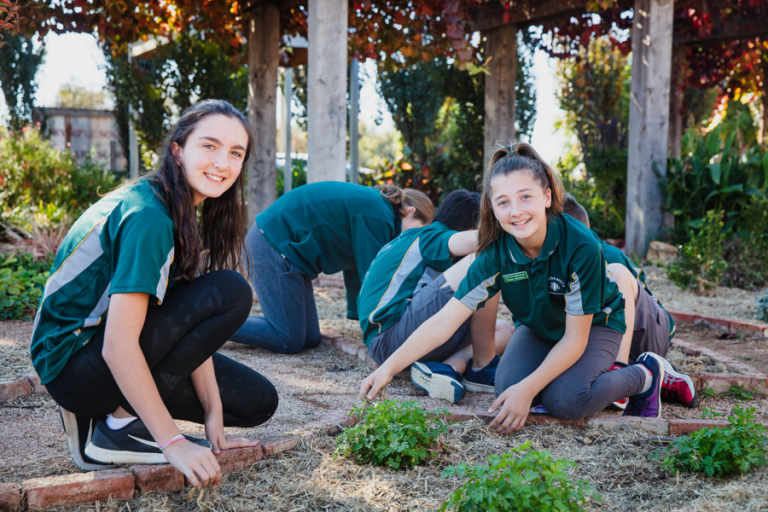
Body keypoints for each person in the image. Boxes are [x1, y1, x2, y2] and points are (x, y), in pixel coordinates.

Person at [361, 142, 693, 433]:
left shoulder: (580, 246)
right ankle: (544, 382)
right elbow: (445, 320)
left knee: (566, 401)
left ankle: (646, 375)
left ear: (547, 197)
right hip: (539, 327)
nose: (516, 211)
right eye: (503, 202)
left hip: (595, 326)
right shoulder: (495, 252)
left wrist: (529, 387)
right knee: (506, 388)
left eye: (525, 197)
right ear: (491, 207)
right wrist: (388, 368)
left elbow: (575, 339)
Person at [30, 100, 279, 487]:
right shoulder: (150, 216)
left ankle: (107, 418)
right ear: (178, 150)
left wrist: (213, 417)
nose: (222, 163)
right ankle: (115, 429)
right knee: (231, 291)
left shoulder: (177, 211)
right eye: (209, 146)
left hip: (96, 356)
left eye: (235, 153)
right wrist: (173, 442)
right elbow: (118, 345)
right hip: (74, 363)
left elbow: (185, 325)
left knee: (256, 401)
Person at [230, 182, 433, 354]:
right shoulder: (379, 214)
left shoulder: (377, 210)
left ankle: (224, 322)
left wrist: (358, 317)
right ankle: (210, 324)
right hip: (271, 246)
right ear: (410, 211)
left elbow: (358, 268)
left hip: (287, 255)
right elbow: (375, 281)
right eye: (419, 232)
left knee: (310, 339)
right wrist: (381, 329)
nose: (414, 241)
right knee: (289, 338)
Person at [358, 190, 513, 403]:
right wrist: (519, 227)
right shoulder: (430, 235)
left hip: (392, 339)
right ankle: (481, 368)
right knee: (488, 258)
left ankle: (443, 368)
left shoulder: (408, 240)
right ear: (470, 228)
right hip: (390, 336)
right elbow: (481, 241)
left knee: (503, 330)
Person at [561, 194, 697, 408]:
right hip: (602, 339)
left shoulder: (604, 254)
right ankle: (654, 377)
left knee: (616, 273)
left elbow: (628, 292)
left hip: (645, 330)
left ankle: (620, 368)